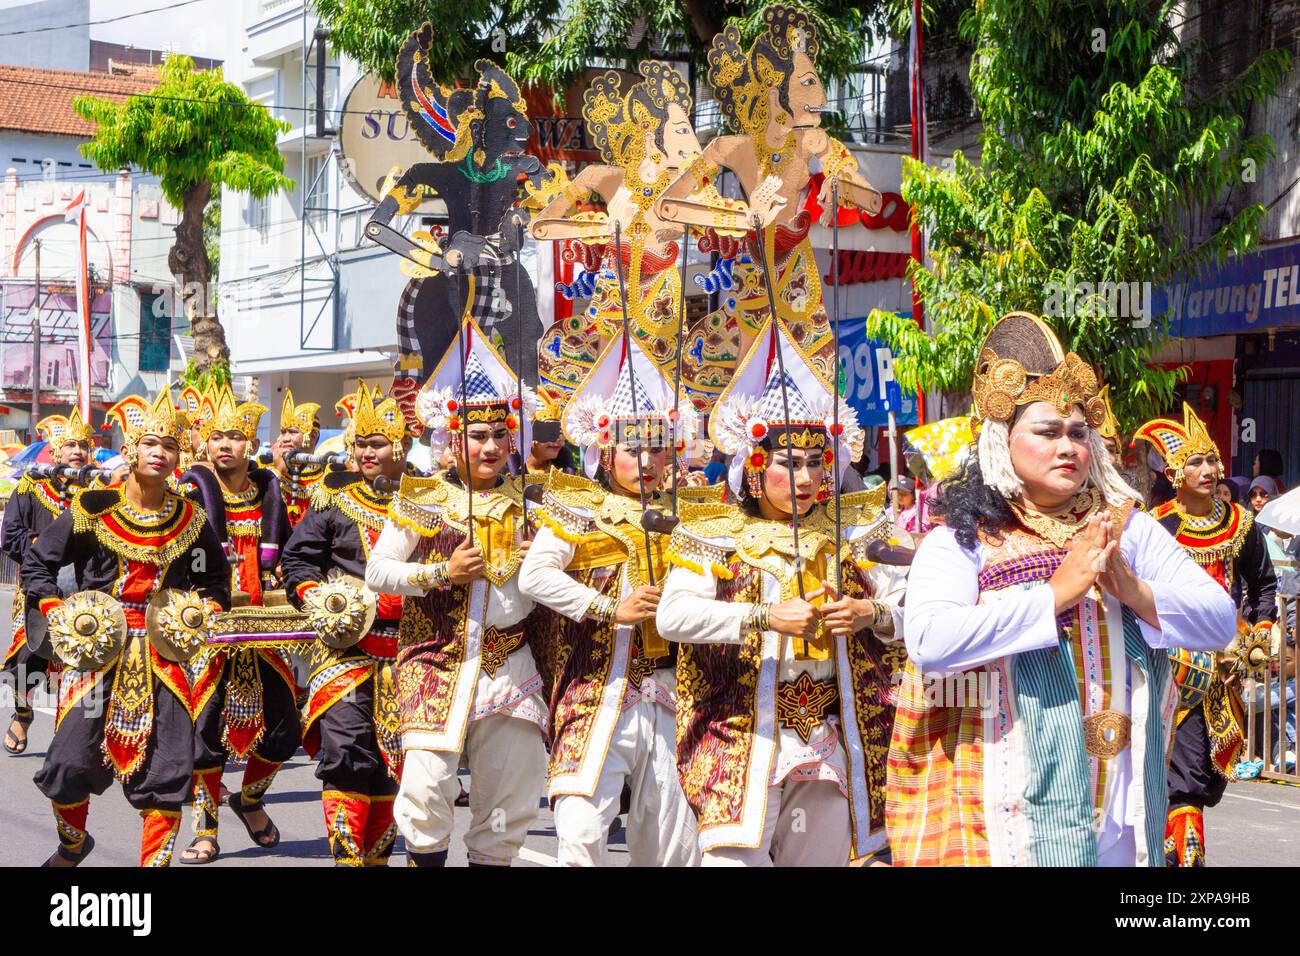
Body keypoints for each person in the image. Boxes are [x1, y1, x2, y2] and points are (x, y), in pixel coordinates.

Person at [887, 312, 1237, 867]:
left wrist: (1135, 591)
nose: (1068, 446)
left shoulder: (1126, 527)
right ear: (1003, 440)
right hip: (1008, 806)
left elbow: (1221, 621)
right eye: (1048, 432)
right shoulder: (965, 536)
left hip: (1119, 800)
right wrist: (1055, 594)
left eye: (1079, 432)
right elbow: (928, 639)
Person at [656, 317, 906, 866]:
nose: (805, 478)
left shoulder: (853, 531)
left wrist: (872, 613)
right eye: (789, 464)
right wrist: (764, 617)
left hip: (826, 732)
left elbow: (915, 608)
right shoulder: (713, 534)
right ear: (754, 468)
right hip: (737, 729)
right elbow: (672, 616)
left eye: (816, 463)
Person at [518, 332, 705, 866]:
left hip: (676, 690)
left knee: (670, 840)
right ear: (605, 451)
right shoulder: (579, 505)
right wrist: (608, 608)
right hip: (595, 688)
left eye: (656, 447)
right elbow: (535, 575)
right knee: (578, 827)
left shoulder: (694, 511)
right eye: (632, 450)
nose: (646, 461)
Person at [365, 321, 547, 867]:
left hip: (510, 666)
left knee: (508, 799)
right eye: (478, 435)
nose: (491, 446)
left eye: (500, 435)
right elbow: (377, 572)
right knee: (425, 789)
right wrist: (441, 572)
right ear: (450, 441)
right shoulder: (423, 498)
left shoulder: (535, 504)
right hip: (435, 660)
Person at [23, 388, 230, 866]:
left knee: (167, 772)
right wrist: (55, 608)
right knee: (68, 763)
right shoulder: (94, 508)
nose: (160, 453)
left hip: (166, 656)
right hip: (98, 651)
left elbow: (216, 579)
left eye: (170, 446)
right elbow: (38, 562)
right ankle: (74, 843)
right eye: (151, 443)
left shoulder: (191, 517)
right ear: (131, 449)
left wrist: (206, 611)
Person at [1134, 403, 1277, 865]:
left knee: (1198, 776)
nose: (1209, 469)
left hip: (1219, 671)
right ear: (1175, 472)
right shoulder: (1156, 527)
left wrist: (1259, 635)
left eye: (1212, 459)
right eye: (1196, 461)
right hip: (1165, 668)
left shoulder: (1241, 523)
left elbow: (1263, 585)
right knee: (1174, 775)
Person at [282, 382, 411, 866]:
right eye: (359, 444)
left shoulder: (431, 498)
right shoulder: (334, 498)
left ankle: (375, 860)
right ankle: (347, 861)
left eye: (376, 443)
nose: (365, 452)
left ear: (401, 445)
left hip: (411, 655)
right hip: (345, 652)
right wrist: (318, 600)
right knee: (347, 754)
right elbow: (298, 561)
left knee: (394, 764)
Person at [180, 385, 293, 864]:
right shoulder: (190, 493)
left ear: (250, 442)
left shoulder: (269, 491)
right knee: (206, 733)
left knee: (285, 726)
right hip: (211, 627)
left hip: (266, 627)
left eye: (235, 436)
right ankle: (205, 829)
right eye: (216, 437)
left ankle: (249, 799)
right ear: (205, 444)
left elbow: (292, 552)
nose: (224, 445)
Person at [1, 409, 94, 756]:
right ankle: (23, 714)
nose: (77, 451)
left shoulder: (93, 490)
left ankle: (71, 736)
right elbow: (10, 536)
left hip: (84, 593)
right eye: (70, 444)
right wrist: (43, 546)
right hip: (38, 588)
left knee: (83, 661)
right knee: (30, 657)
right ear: (55, 451)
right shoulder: (31, 487)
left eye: (83, 445)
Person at [270, 389, 325, 528]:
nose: (286, 438)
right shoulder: (267, 471)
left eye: (293, 432)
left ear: (312, 437)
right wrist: (277, 472)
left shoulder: (327, 476)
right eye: (283, 432)